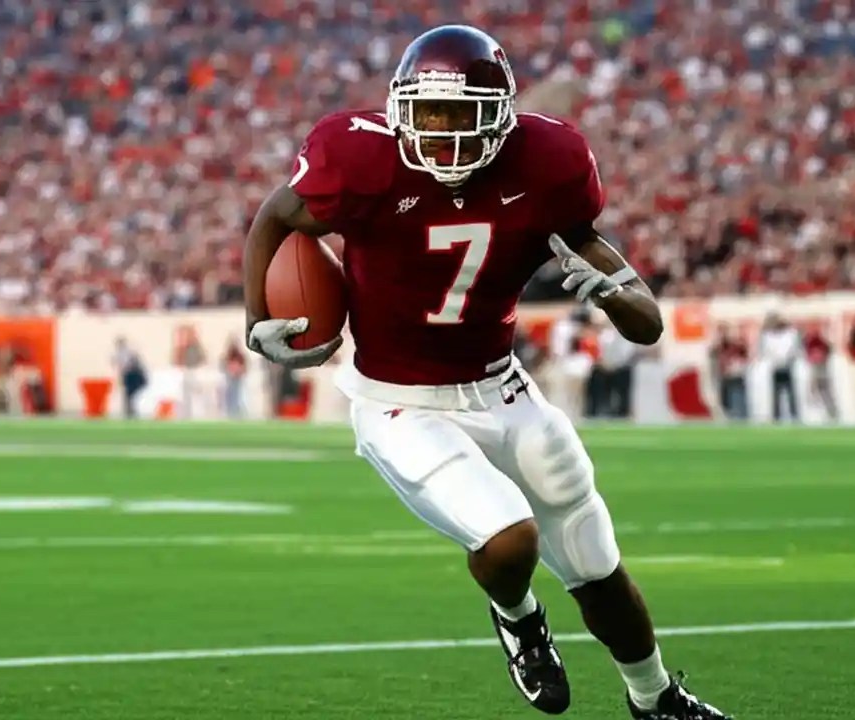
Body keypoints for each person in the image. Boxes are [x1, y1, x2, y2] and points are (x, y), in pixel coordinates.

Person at [241, 25, 730, 720]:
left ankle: (655, 700)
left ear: (500, 114)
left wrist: (613, 294)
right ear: (399, 109)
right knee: (509, 534)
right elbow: (272, 219)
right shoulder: (357, 156)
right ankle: (519, 616)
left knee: (595, 558)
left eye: (458, 115)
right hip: (398, 401)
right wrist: (255, 321)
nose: (440, 134)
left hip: (501, 387)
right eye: (426, 114)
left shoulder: (548, 161)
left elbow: (646, 322)